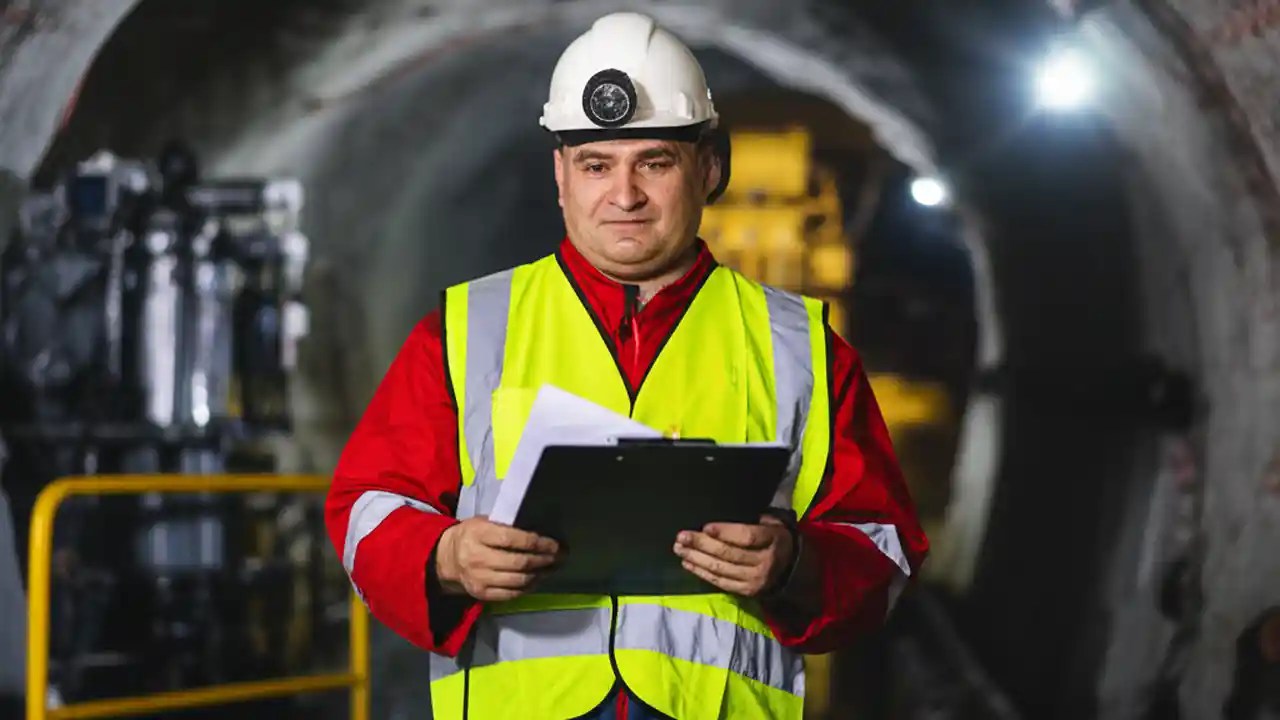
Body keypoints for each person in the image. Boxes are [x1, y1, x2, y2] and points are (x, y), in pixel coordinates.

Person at [325, 11, 928, 720]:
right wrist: (446, 557)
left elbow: (882, 551)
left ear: (709, 168)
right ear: (560, 175)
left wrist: (795, 562)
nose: (625, 195)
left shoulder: (803, 348)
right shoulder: (463, 331)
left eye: (655, 162)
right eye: (596, 164)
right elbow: (367, 512)